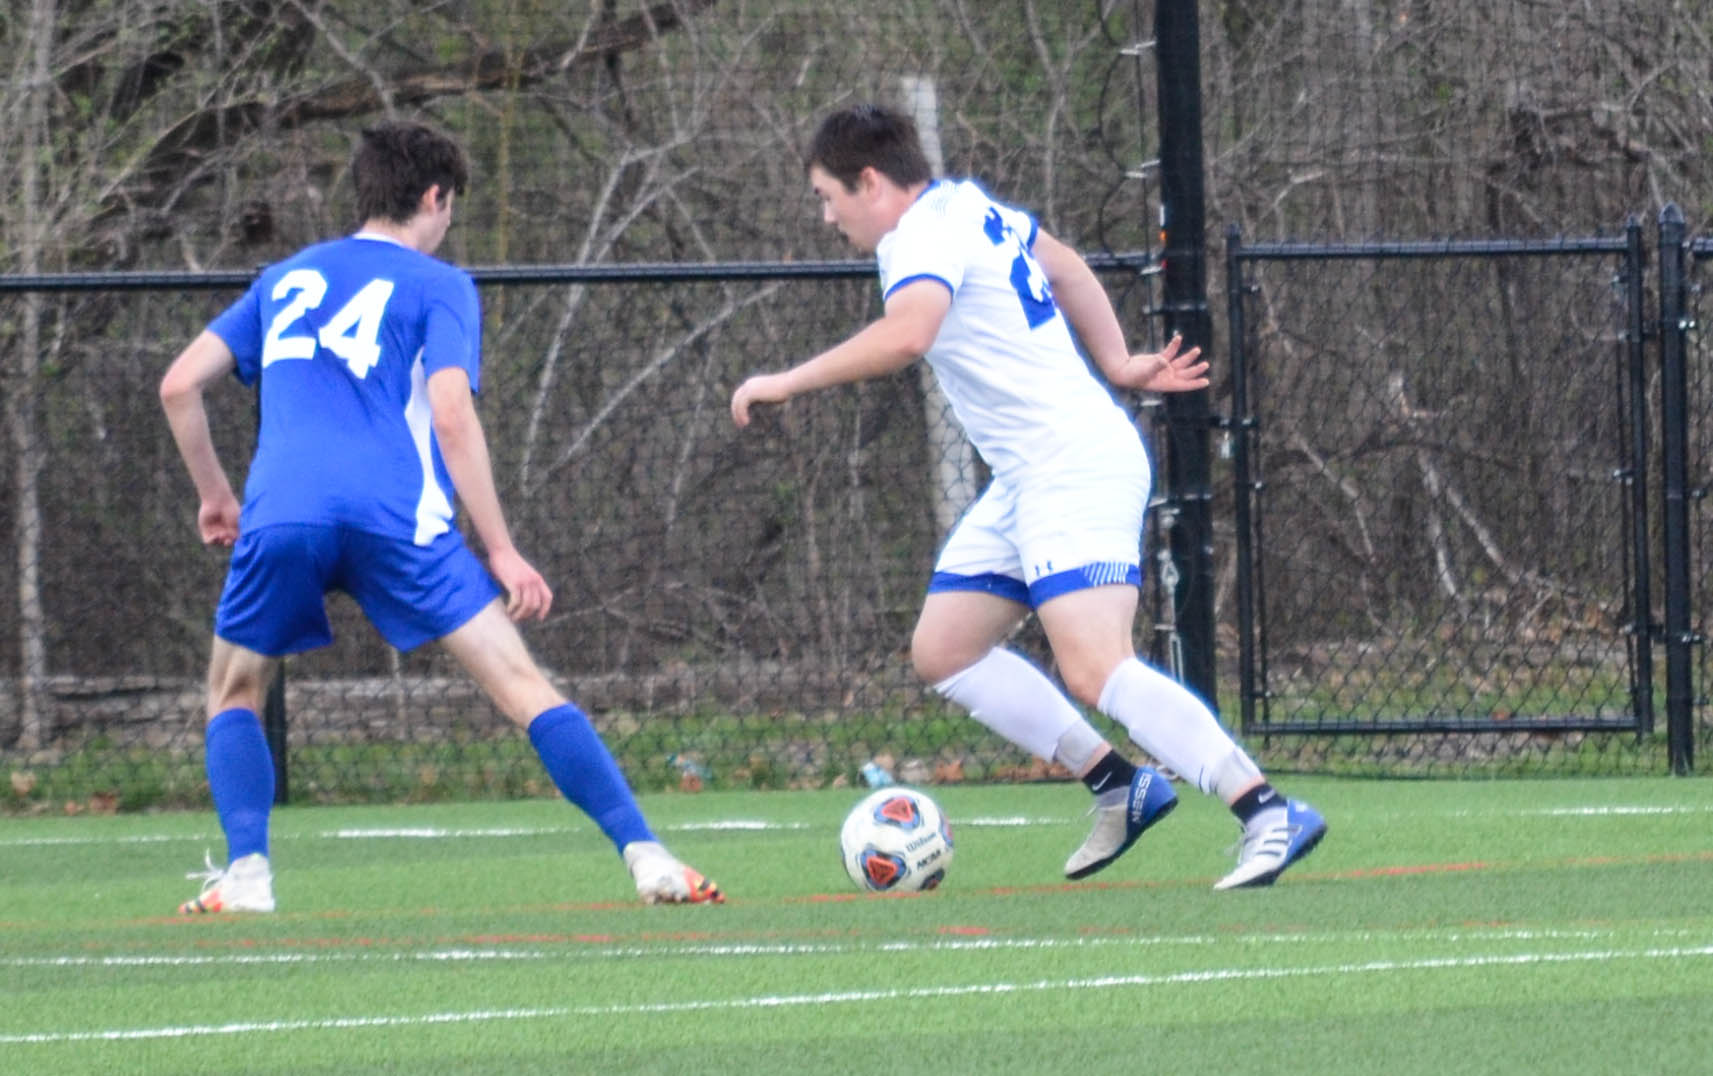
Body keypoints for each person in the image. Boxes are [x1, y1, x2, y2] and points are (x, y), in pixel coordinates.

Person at [731, 104, 1325, 889]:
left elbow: (908, 334)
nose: (825, 214)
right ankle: (1119, 783)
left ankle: (1265, 809)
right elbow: (1068, 265)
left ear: (868, 181)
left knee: (1094, 667)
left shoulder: (919, 235)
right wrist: (1114, 362)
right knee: (944, 650)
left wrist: (784, 381)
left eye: (826, 195)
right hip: (1031, 475)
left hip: (1071, 465)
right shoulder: (970, 207)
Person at [159, 121, 722, 913]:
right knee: (522, 685)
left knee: (233, 691)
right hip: (399, 520)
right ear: (433, 197)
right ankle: (647, 857)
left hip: (283, 514)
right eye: (450, 206)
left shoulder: (283, 278)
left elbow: (179, 386)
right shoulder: (440, 284)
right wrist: (502, 549)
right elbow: (451, 414)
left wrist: (218, 497)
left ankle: (248, 876)